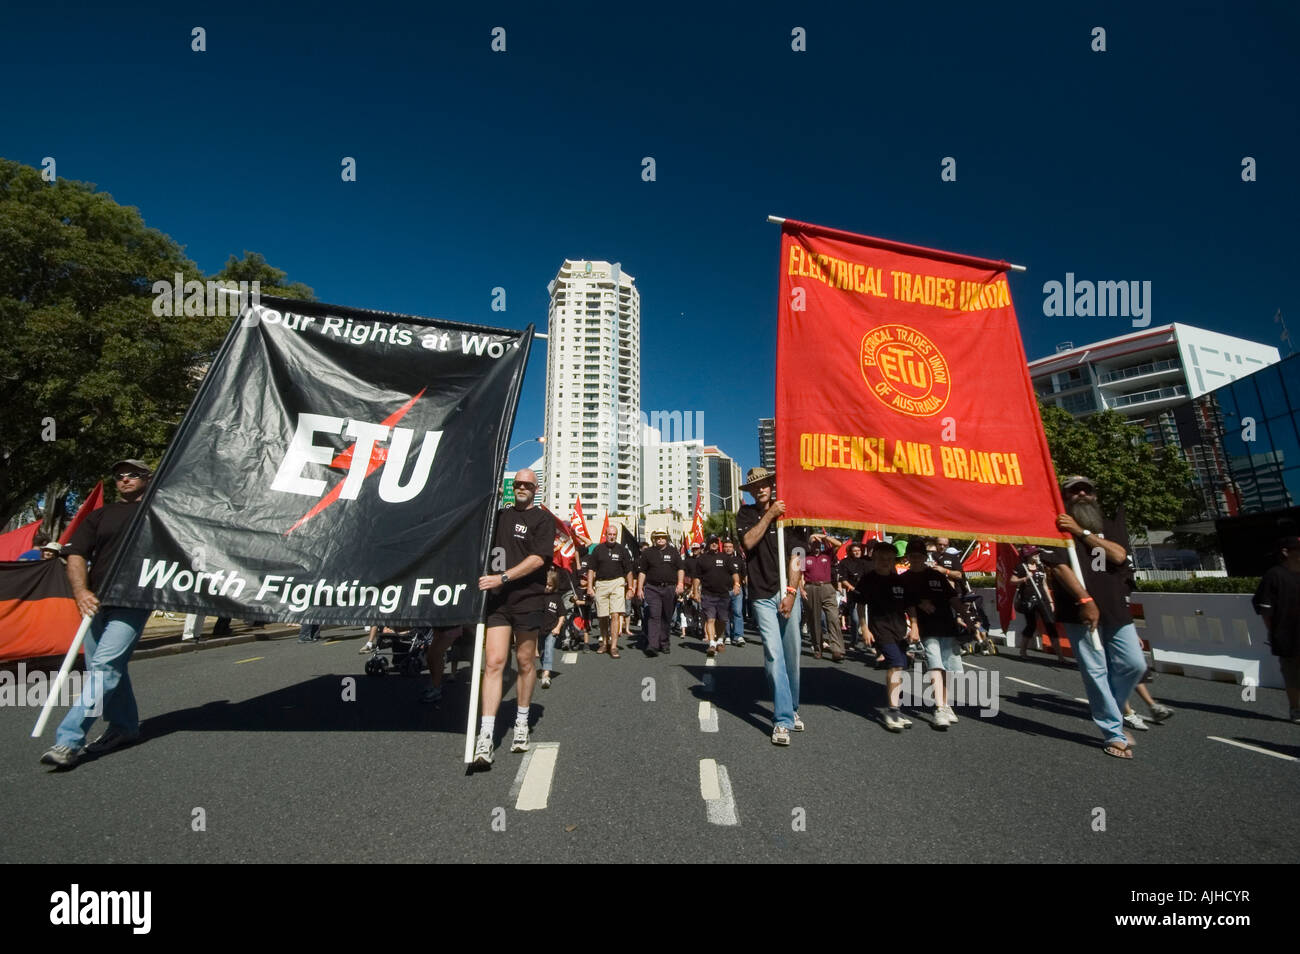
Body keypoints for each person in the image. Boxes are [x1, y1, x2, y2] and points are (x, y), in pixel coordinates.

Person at [40, 459, 154, 769]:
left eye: (133, 474)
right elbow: (75, 554)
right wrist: (80, 592)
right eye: (119, 476)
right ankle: (125, 727)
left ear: (148, 477)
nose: (125, 479)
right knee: (107, 668)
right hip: (96, 602)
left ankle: (68, 740)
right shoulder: (99, 516)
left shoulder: (160, 512)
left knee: (104, 665)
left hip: (134, 600)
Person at [1039, 475, 1147, 759]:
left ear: (1095, 495)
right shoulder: (1056, 527)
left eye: (1087, 490)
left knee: (1134, 665)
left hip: (1115, 609)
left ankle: (1111, 704)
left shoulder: (1107, 523)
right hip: (1080, 611)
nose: (1082, 494)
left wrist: (1082, 532)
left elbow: (1118, 556)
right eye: (1075, 492)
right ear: (1065, 498)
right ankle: (1114, 731)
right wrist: (1085, 600)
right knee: (1095, 671)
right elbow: (1059, 568)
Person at [474, 469, 554, 767]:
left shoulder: (542, 520)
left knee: (524, 661)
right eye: (517, 484)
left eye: (527, 485)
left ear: (535, 489)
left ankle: (521, 721)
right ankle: (486, 733)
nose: (522, 488)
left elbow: (538, 558)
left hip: (527, 599)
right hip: (497, 602)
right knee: (494, 662)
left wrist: (503, 577)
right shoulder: (498, 516)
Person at [736, 467, 807, 745]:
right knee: (774, 654)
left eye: (765, 484)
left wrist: (790, 592)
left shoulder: (793, 514)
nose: (761, 489)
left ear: (772, 486)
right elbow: (748, 541)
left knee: (792, 656)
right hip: (761, 595)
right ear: (751, 491)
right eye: (756, 486)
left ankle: (793, 708)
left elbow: (798, 555)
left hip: (786, 591)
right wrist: (770, 514)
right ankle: (781, 720)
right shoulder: (746, 515)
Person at [902, 538, 968, 729]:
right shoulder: (904, 579)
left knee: (947, 668)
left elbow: (953, 598)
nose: (916, 559)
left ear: (924, 557)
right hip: (926, 629)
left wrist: (969, 618)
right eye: (912, 556)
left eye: (919, 556)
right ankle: (939, 707)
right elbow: (904, 602)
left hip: (947, 626)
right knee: (935, 666)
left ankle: (945, 704)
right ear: (907, 557)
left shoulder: (936, 575)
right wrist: (915, 619)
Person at [859, 540, 919, 730]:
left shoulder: (899, 581)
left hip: (900, 630)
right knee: (896, 664)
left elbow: (910, 605)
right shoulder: (868, 579)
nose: (885, 561)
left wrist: (915, 627)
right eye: (881, 558)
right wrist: (864, 628)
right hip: (880, 629)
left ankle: (896, 709)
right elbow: (860, 604)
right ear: (874, 558)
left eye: (889, 558)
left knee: (901, 667)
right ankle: (892, 710)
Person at [1252, 536, 1300, 724]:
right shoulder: (1274, 575)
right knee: (1293, 674)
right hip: (1288, 634)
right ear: (1286, 552)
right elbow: (1265, 610)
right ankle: (1296, 709)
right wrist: (1274, 633)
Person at [586, 523, 635, 658]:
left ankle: (613, 646)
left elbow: (629, 571)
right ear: (605, 535)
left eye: (614, 535)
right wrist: (590, 586)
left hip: (617, 583)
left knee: (615, 615)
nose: (612, 537)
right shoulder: (598, 549)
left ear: (616, 536)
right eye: (610, 534)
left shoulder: (622, 550)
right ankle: (604, 643)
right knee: (602, 616)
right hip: (601, 584)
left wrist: (630, 588)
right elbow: (591, 569)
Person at [635, 529, 684, 655]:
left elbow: (680, 569)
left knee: (666, 617)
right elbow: (642, 572)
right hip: (652, 588)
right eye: (657, 537)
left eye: (662, 537)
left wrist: (680, 583)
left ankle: (664, 642)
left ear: (666, 538)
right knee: (654, 615)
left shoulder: (673, 552)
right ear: (654, 539)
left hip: (669, 588)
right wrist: (639, 588)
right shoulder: (648, 553)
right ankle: (653, 645)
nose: (660, 539)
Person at [1010, 546, 1059, 661]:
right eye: (1034, 553)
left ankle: (1060, 656)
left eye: (1037, 553)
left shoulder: (1041, 567)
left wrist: (1050, 601)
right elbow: (1012, 581)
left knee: (1050, 623)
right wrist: (1024, 579)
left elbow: (1044, 584)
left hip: (1042, 599)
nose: (1037, 555)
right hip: (1028, 600)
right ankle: (1023, 651)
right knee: (1031, 625)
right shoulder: (1021, 567)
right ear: (1028, 555)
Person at [801, 534, 843, 661]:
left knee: (833, 618)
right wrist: (802, 589)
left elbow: (838, 544)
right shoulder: (805, 557)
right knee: (814, 619)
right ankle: (817, 648)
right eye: (813, 543)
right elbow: (799, 574)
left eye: (818, 543)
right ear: (809, 545)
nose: (816, 546)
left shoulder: (827, 554)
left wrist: (823, 536)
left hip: (827, 587)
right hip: (811, 588)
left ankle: (837, 650)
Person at [697, 535, 741, 656]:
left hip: (723, 594)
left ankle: (720, 640)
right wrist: (695, 591)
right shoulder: (702, 558)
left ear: (718, 544)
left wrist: (737, 584)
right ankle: (712, 644)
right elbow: (697, 577)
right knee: (710, 619)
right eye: (711, 542)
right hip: (708, 594)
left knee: (722, 620)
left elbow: (734, 573)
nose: (714, 544)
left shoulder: (725, 557)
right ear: (708, 544)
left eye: (716, 542)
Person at [419, 626, 465, 704]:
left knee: (436, 655)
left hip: (451, 627)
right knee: (430, 657)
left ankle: (436, 688)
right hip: (439, 626)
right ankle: (434, 684)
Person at [537, 568, 565, 689]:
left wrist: (558, 627)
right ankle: (544, 667)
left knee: (549, 649)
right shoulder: (539, 597)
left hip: (552, 629)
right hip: (539, 629)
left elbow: (562, 614)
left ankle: (546, 675)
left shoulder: (557, 598)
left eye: (550, 585)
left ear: (554, 586)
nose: (547, 587)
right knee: (542, 651)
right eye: (546, 585)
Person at [722, 538, 747, 647]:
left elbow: (744, 575)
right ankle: (727, 635)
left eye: (730, 547)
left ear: (733, 548)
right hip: (724, 591)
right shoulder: (720, 559)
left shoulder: (739, 560)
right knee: (726, 614)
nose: (728, 549)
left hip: (737, 590)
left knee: (737, 612)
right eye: (726, 547)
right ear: (723, 548)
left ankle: (738, 636)